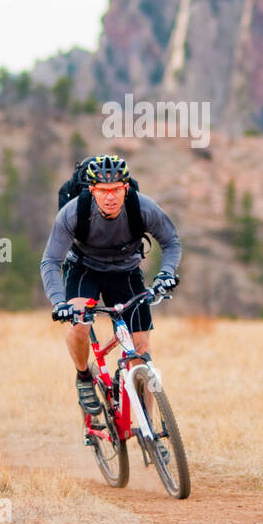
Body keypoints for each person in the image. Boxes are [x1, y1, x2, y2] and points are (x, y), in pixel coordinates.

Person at [40, 154, 181, 424]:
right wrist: (60, 302)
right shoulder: (73, 212)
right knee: (80, 324)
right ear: (92, 190)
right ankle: (83, 376)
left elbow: (172, 242)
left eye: (116, 189)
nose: (110, 196)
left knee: (141, 351)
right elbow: (51, 260)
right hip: (84, 270)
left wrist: (165, 274)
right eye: (103, 190)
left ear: (126, 187)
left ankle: (150, 431)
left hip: (126, 271)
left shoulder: (142, 207)